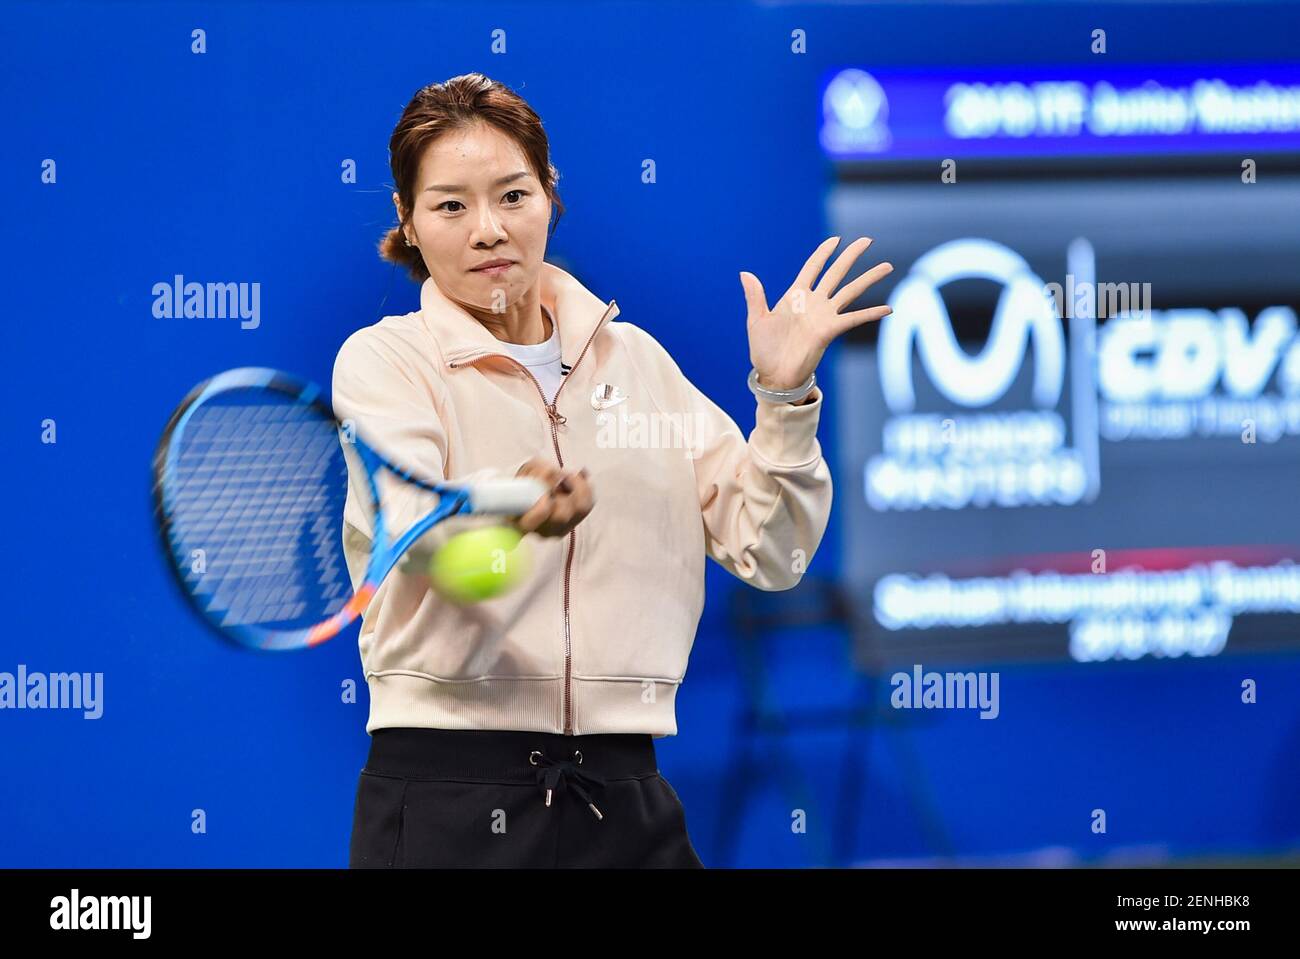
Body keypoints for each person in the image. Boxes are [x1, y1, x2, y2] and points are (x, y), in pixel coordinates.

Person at [334, 73, 894, 868]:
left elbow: (774, 550)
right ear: (408, 222)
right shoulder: (385, 362)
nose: (488, 229)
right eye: (451, 205)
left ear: (550, 197)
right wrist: (517, 519)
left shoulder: (636, 365)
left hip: (625, 797)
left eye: (513, 195)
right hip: (446, 804)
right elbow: (429, 546)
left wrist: (784, 395)